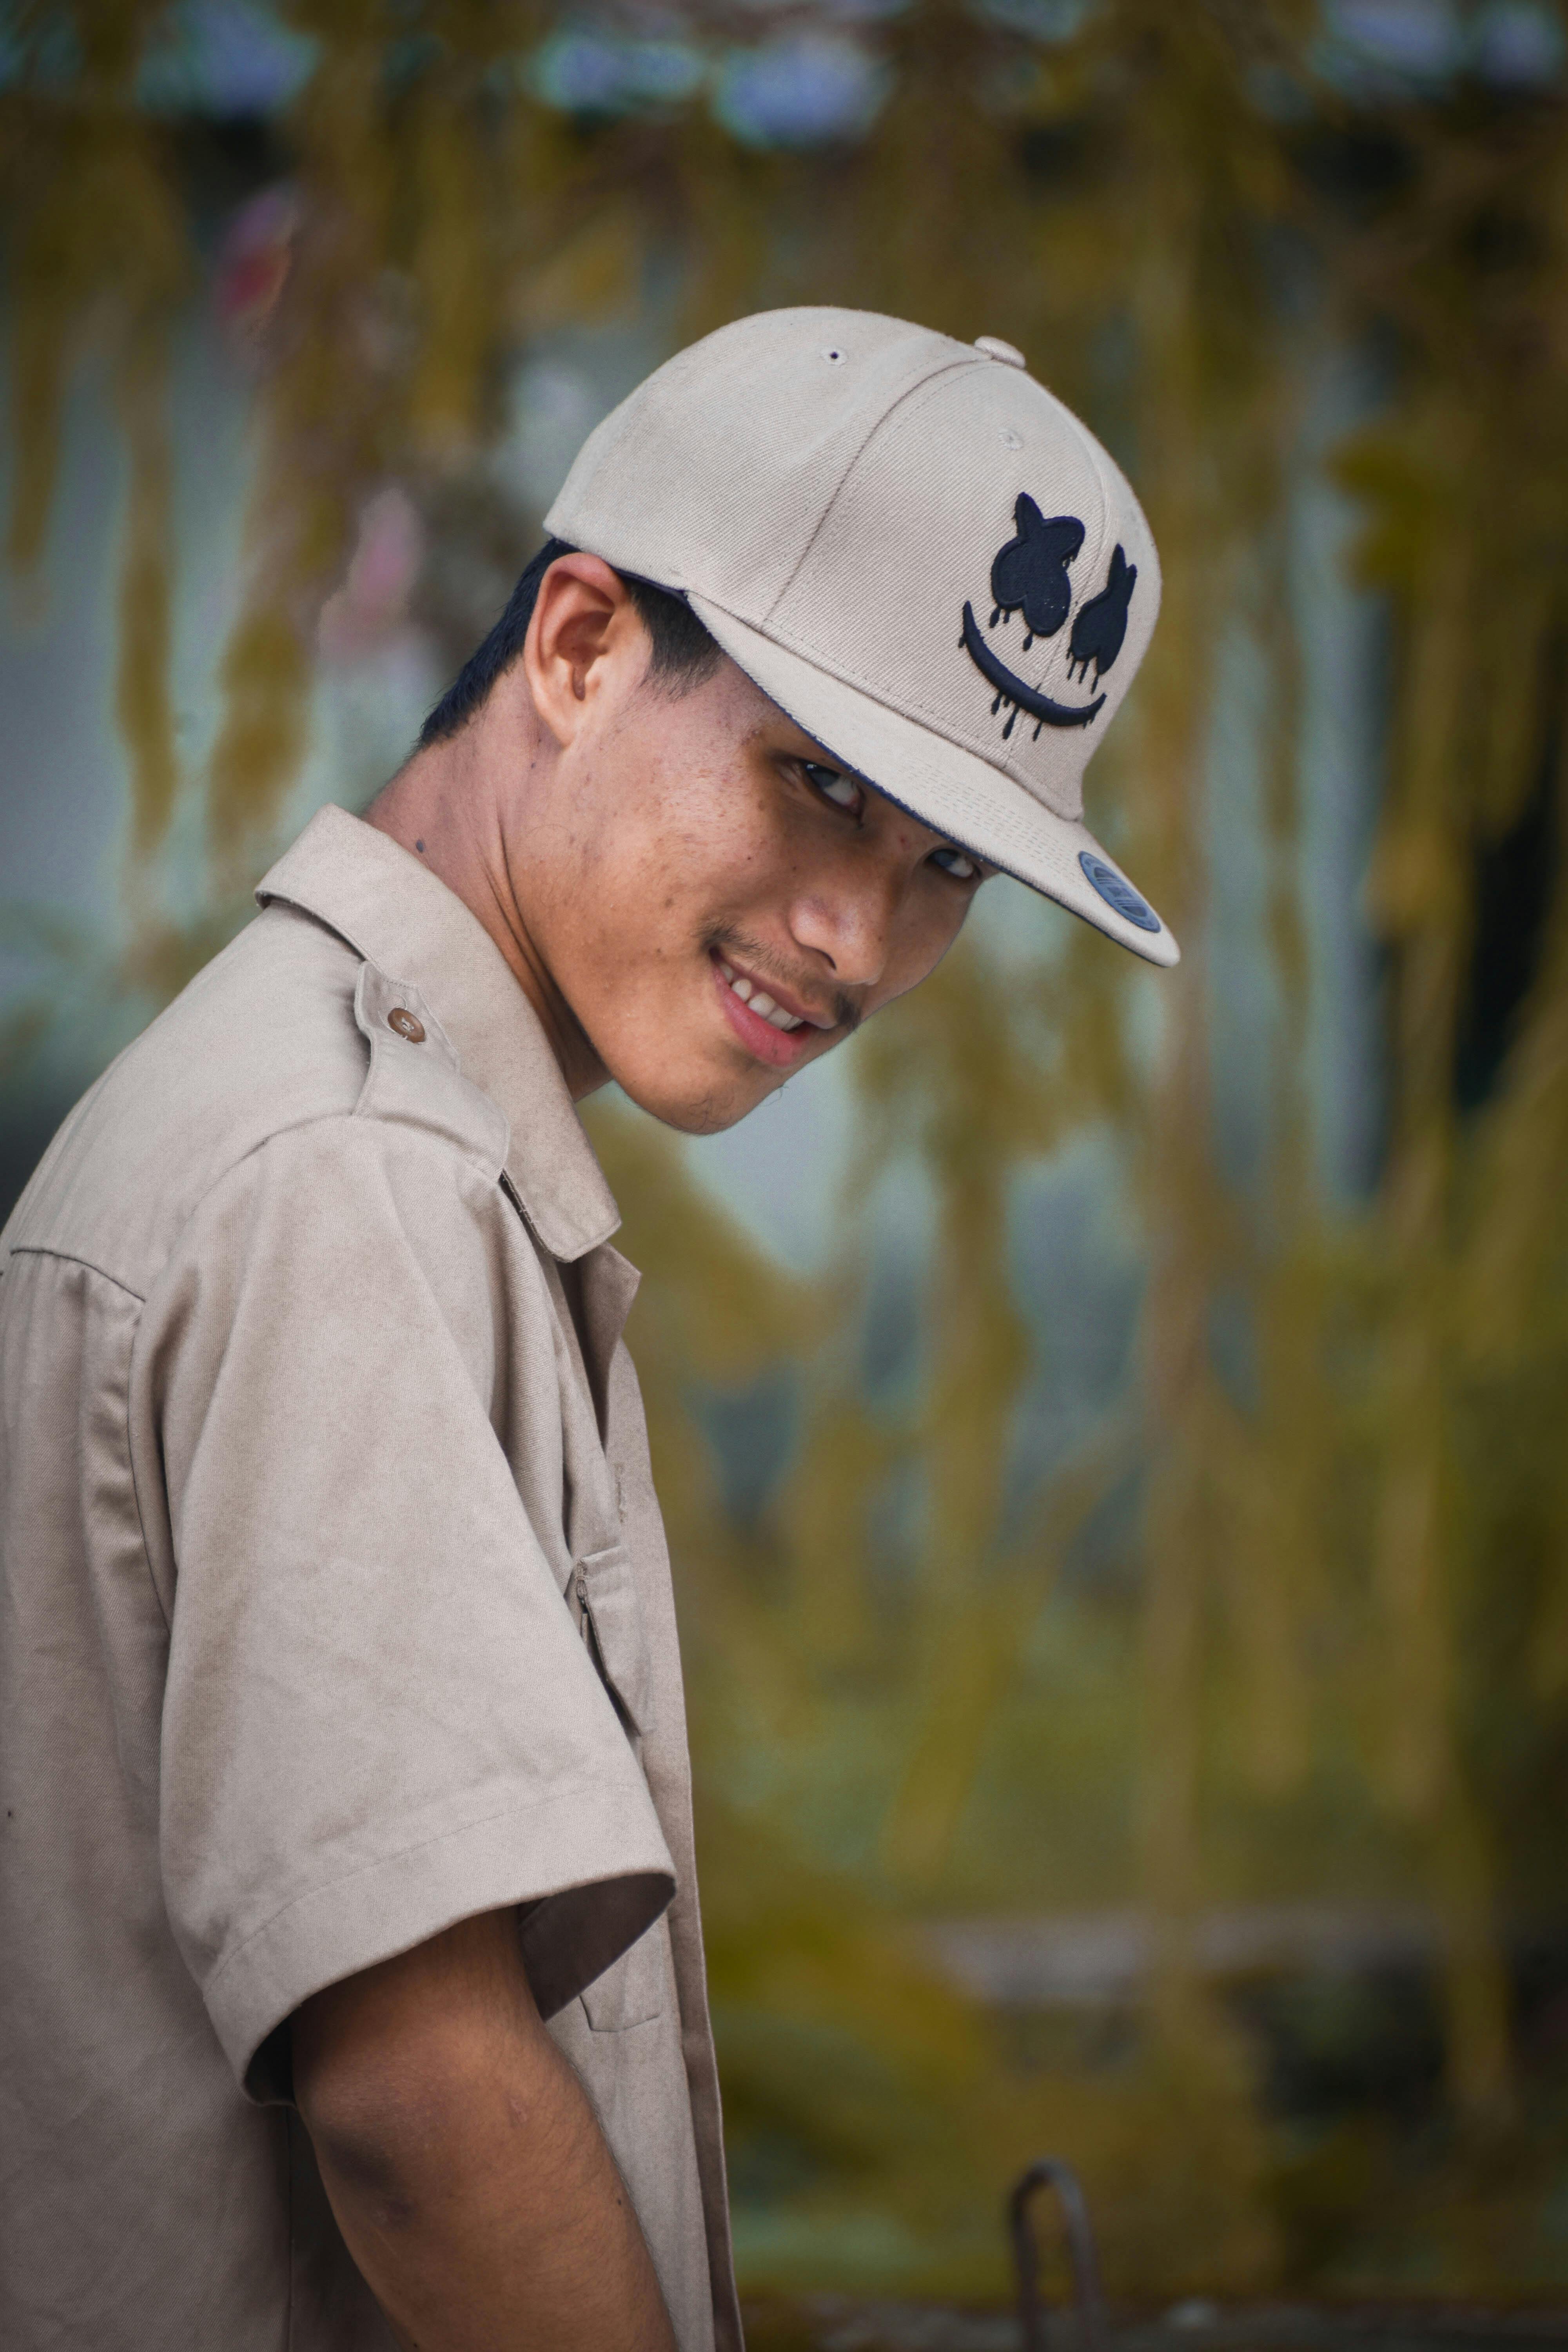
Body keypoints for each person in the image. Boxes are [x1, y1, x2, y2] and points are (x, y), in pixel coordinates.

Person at [0, 307, 1174, 2352]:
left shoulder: (347, 1120)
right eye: (816, 785)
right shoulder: (355, 1174)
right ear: (574, 648)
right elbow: (420, 2093)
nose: (860, 940)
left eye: (943, 867)